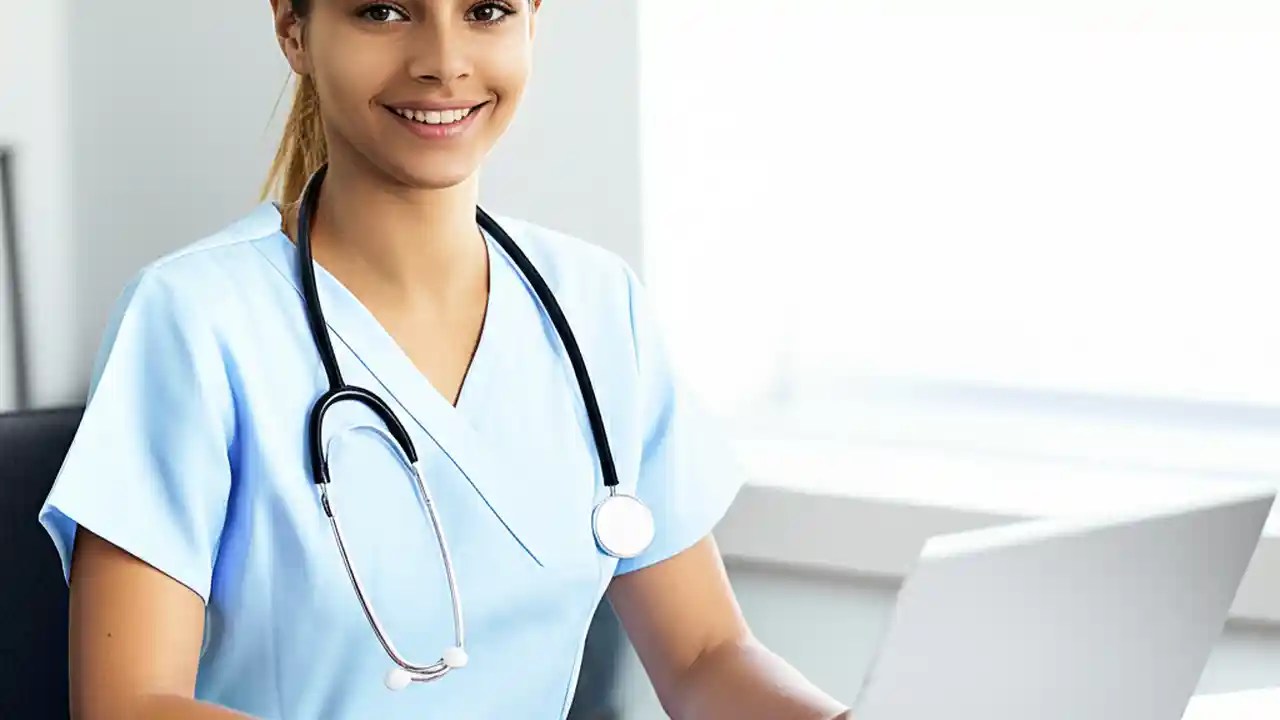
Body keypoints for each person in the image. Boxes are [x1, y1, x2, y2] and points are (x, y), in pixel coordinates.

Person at [37, 1, 852, 718]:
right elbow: (127, 705)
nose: (443, 61)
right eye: (383, 11)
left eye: (486, 10)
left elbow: (705, 656)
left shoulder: (600, 307)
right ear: (293, 27)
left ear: (533, 19)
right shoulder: (193, 320)